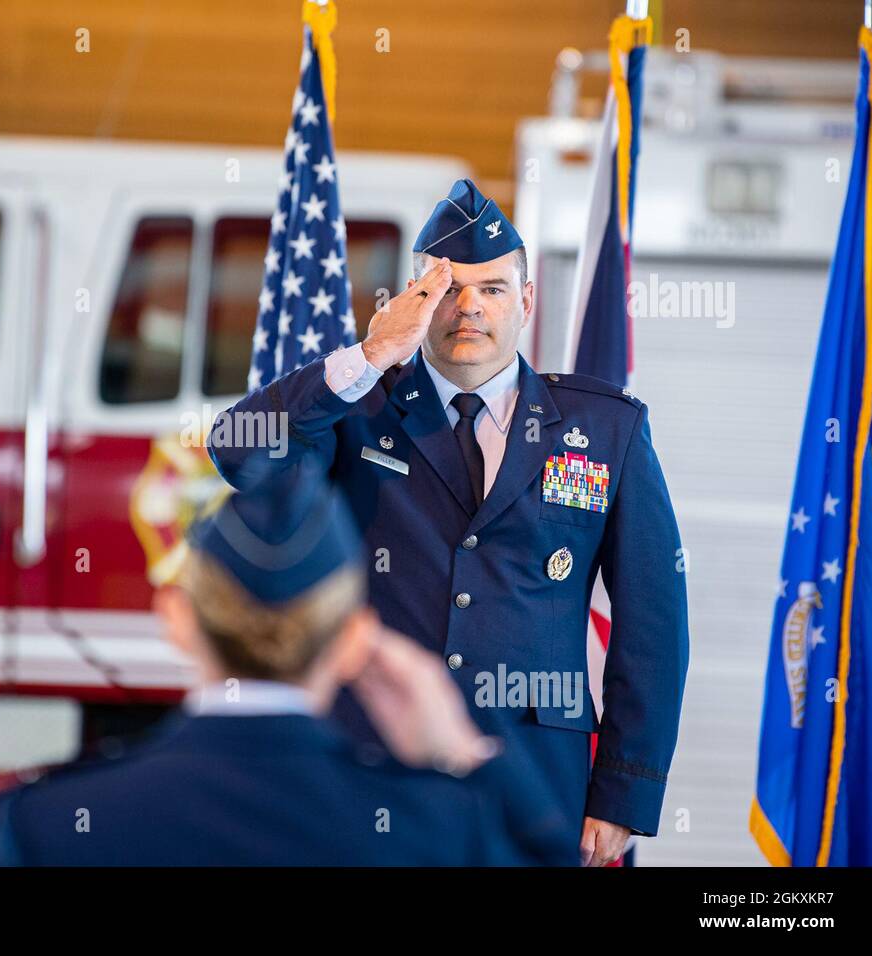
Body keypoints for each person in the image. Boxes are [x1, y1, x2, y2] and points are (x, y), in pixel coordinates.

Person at [209, 179, 689, 866]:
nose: (469, 308)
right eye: (445, 289)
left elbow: (653, 624)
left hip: (537, 776)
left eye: (492, 289)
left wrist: (622, 795)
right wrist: (369, 356)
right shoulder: (354, 411)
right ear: (412, 301)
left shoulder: (604, 428)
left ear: (526, 302)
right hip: (373, 766)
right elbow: (238, 451)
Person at [0, 466, 574, 866]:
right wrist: (461, 756)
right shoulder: (433, 828)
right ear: (355, 642)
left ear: (178, 619)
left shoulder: (53, 824)